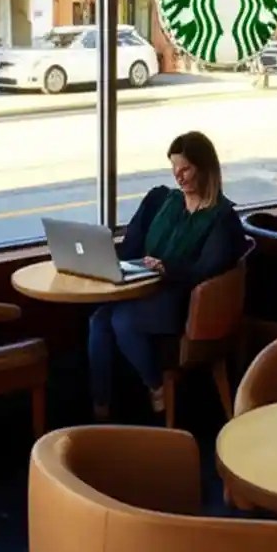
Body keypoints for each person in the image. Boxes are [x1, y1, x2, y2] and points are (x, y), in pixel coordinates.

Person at [88, 131, 246, 420]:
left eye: (186, 169)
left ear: (205, 168)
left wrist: (168, 268)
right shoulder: (164, 200)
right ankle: (101, 408)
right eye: (175, 169)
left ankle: (156, 387)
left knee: (123, 320)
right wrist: (113, 264)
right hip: (146, 288)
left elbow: (207, 270)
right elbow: (132, 243)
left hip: (184, 301)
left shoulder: (221, 218)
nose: (179, 177)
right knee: (99, 320)